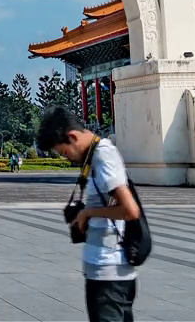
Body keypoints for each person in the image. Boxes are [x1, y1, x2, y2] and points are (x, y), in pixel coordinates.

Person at [40, 106, 140, 322]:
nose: (68, 159)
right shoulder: (96, 157)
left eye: (64, 152)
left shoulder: (103, 155)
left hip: (109, 273)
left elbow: (130, 210)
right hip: (106, 271)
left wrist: (88, 213)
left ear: (72, 137)